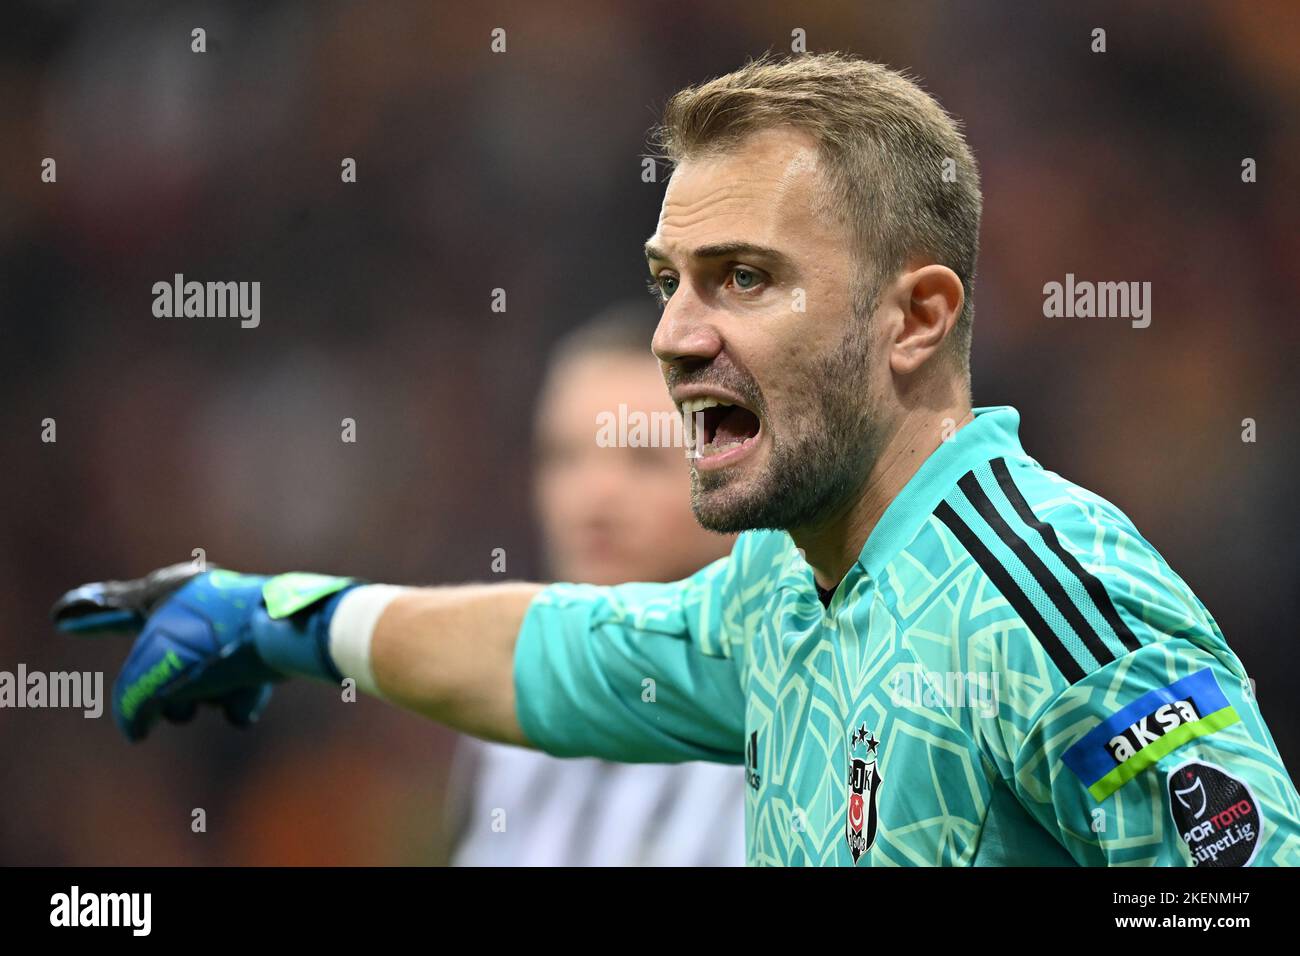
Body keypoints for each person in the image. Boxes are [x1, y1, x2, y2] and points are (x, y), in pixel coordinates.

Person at [54, 52, 1300, 866]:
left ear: (915, 318)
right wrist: (293, 620)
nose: (674, 334)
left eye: (744, 278)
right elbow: (551, 650)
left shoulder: (1046, 599)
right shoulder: (785, 593)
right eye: (670, 282)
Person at [448, 305, 743, 866]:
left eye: (644, 459)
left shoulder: (793, 716)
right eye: (564, 457)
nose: (594, 495)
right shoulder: (509, 711)